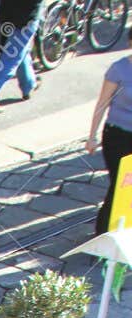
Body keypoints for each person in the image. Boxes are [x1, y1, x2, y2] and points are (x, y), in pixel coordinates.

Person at [87, 28, 132, 234]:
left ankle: (123, 230)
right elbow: (102, 103)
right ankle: (104, 233)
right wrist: (92, 136)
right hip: (117, 136)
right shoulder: (119, 69)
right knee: (119, 185)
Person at [0, 2, 42, 113]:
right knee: (10, 61)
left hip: (7, 14)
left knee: (20, 50)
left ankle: (28, 85)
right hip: (25, 18)